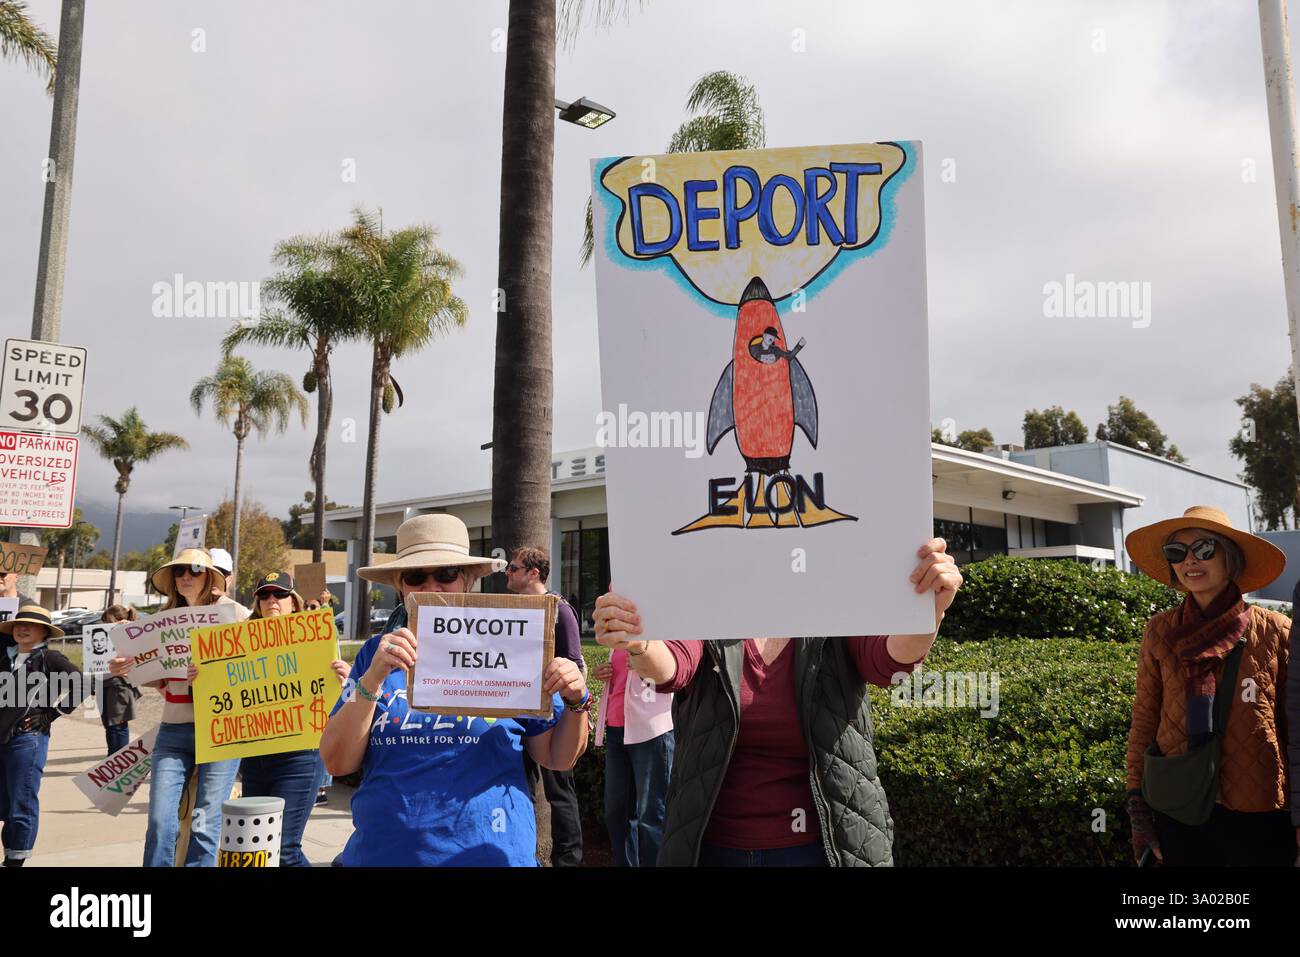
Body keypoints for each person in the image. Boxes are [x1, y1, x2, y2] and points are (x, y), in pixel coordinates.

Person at [594, 537, 962, 866]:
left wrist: (929, 613)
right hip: (711, 847)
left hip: (824, 847)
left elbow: (887, 662)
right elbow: (674, 666)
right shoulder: (710, 597)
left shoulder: (837, 593)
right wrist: (638, 643)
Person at [320, 514, 591, 866]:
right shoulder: (376, 654)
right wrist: (372, 679)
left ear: (467, 581)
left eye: (446, 573)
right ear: (401, 588)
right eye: (416, 577)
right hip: (382, 855)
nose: (431, 585)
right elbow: (336, 761)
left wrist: (577, 699)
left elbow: (556, 756)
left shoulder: (512, 646)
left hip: (491, 855)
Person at [1124, 506, 1293, 867]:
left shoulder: (1276, 630)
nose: (1190, 561)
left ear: (1229, 558)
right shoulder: (1159, 631)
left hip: (1259, 808)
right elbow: (1144, 721)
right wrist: (1139, 814)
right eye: (1177, 553)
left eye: (1204, 549)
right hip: (1180, 809)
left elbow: (1295, 728)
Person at [108, 548, 248, 867]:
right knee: (159, 821)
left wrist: (213, 671)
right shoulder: (161, 621)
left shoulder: (235, 613)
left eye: (194, 570)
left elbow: (252, 668)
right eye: (179, 571)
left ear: (209, 576)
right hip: (173, 730)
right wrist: (124, 667)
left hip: (221, 731)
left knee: (205, 823)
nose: (186, 576)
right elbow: (152, 673)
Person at [235, 572, 347, 866]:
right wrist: (203, 677)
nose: (273, 600)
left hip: (300, 756)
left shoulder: (316, 637)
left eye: (280, 594)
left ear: (293, 601)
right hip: (255, 757)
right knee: (254, 846)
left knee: (283, 848)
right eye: (265, 595)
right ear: (257, 603)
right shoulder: (238, 642)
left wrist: (345, 679)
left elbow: (336, 694)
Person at [506, 545, 586, 867]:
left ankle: (568, 860)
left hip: (552, 714)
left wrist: (577, 708)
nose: (508, 573)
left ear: (533, 573)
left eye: (513, 568)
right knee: (525, 784)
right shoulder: (512, 609)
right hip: (518, 712)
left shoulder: (559, 609)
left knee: (560, 792)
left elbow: (576, 663)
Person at [0, 605, 82, 866]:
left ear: (44, 632)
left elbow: (82, 684)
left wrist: (51, 714)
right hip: (3, 739)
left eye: (30, 625)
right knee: (6, 803)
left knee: (21, 803)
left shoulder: (51, 658)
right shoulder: (5, 658)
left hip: (28, 739)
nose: (22, 628)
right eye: (18, 624)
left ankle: (15, 860)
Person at [593, 645, 674, 867]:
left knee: (652, 819)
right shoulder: (621, 634)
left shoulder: (663, 629)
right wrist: (601, 672)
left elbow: (677, 670)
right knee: (617, 815)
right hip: (618, 731)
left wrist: (650, 661)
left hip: (651, 732)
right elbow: (619, 678)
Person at [95, 604, 141, 755]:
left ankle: (118, 758)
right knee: (110, 726)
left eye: (108, 622)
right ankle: (112, 758)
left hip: (119, 684)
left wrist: (128, 627)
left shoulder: (130, 634)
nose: (105, 626)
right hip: (104, 683)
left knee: (117, 726)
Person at [207, 547, 250, 617]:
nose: (215, 578)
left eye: (222, 573)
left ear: (230, 579)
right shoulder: (185, 611)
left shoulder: (241, 614)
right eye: (210, 572)